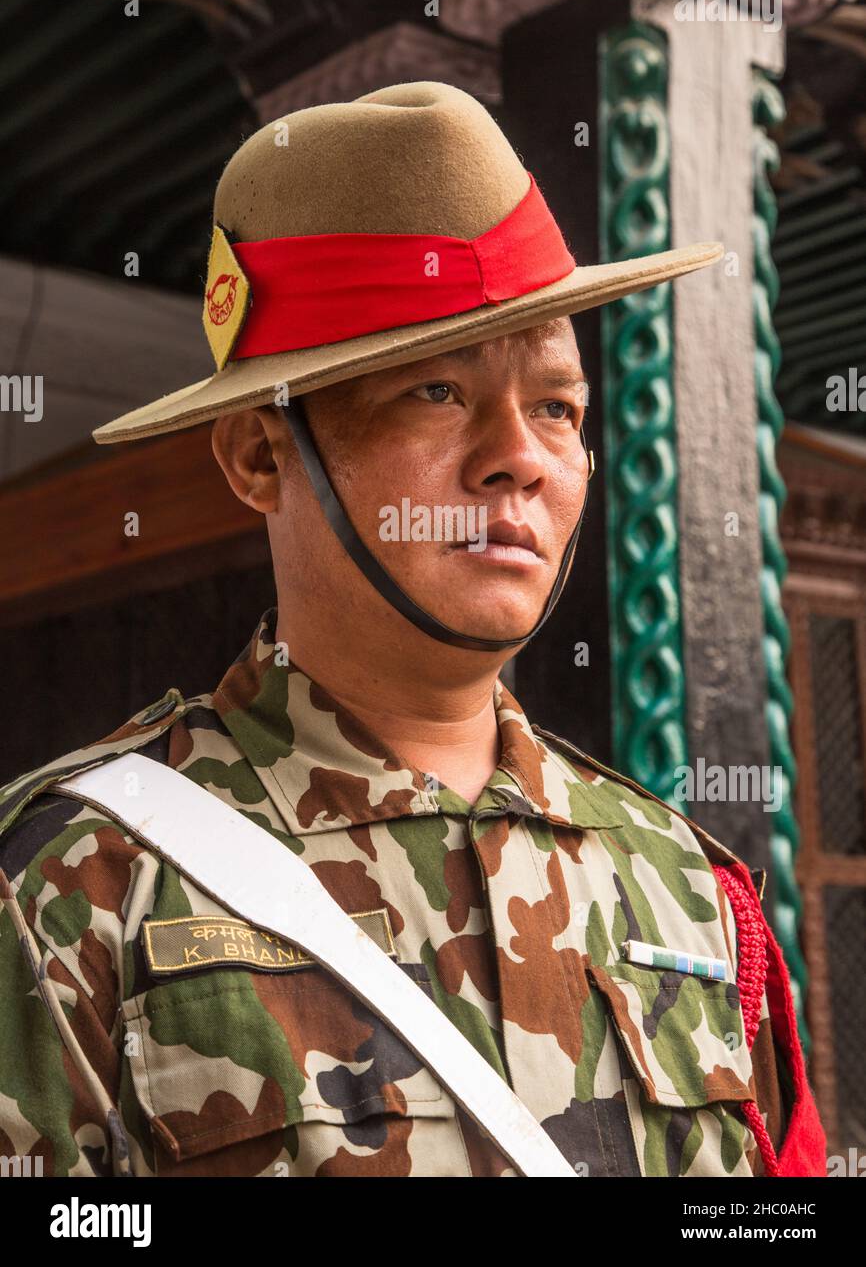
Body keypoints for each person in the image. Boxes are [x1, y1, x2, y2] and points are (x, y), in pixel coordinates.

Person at [0, 81, 824, 1178]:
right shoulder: (73, 888)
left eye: (556, 408)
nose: (517, 456)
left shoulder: (681, 885)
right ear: (258, 456)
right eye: (435, 390)